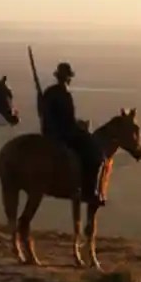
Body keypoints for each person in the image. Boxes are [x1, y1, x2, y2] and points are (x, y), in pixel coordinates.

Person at [39, 62, 106, 205]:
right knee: (93, 152)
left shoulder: (49, 92)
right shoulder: (65, 94)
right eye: (69, 77)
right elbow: (68, 120)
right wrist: (81, 127)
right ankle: (89, 191)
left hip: (49, 132)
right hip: (63, 133)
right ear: (67, 78)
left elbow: (42, 113)